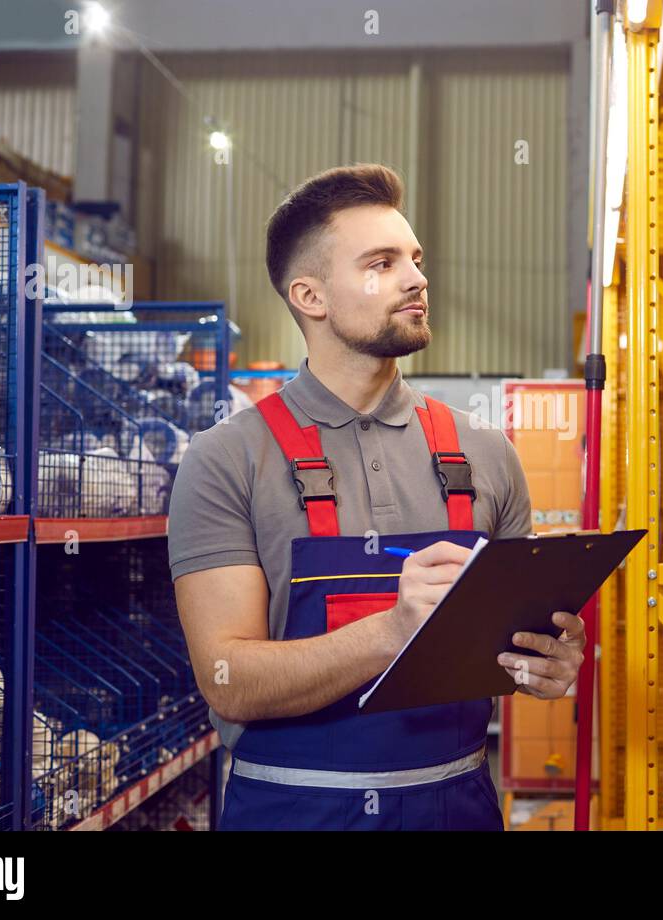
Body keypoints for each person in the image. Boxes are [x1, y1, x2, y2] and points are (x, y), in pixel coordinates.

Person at [168, 163, 584, 830]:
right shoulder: (227, 460)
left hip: (458, 806)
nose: (417, 279)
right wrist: (393, 630)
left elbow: (515, 650)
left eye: (415, 259)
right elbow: (226, 678)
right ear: (311, 295)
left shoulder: (486, 455)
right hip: (291, 812)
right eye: (382, 263)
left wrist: (545, 661)